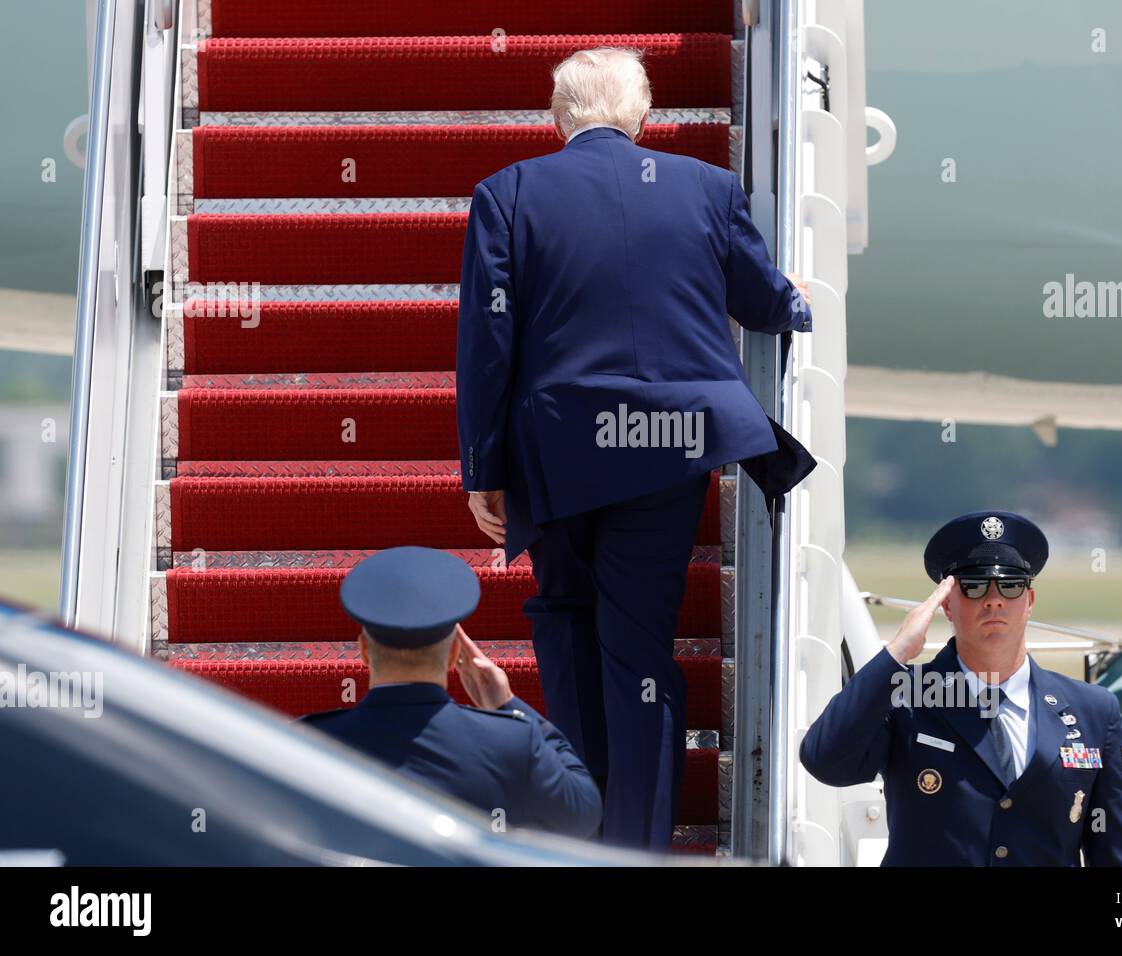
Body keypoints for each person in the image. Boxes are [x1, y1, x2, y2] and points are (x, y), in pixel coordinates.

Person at [455, 46, 815, 849]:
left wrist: (485, 469)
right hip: (667, 449)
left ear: (559, 120)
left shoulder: (507, 194)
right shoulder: (706, 188)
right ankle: (637, 850)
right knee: (639, 653)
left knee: (564, 630)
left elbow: (487, 342)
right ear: (642, 115)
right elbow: (762, 299)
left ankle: (574, 836)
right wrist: (801, 306)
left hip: (555, 456)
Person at [800, 511, 1122, 866]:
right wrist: (896, 654)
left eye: (1010, 585)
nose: (994, 600)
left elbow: (1115, 856)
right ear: (946, 603)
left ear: (1030, 601)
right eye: (974, 586)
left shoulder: (1093, 711)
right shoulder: (906, 695)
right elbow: (824, 760)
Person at [298, 546, 602, 839]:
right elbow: (583, 813)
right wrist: (506, 704)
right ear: (454, 651)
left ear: (364, 650)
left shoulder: (309, 745)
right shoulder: (512, 742)